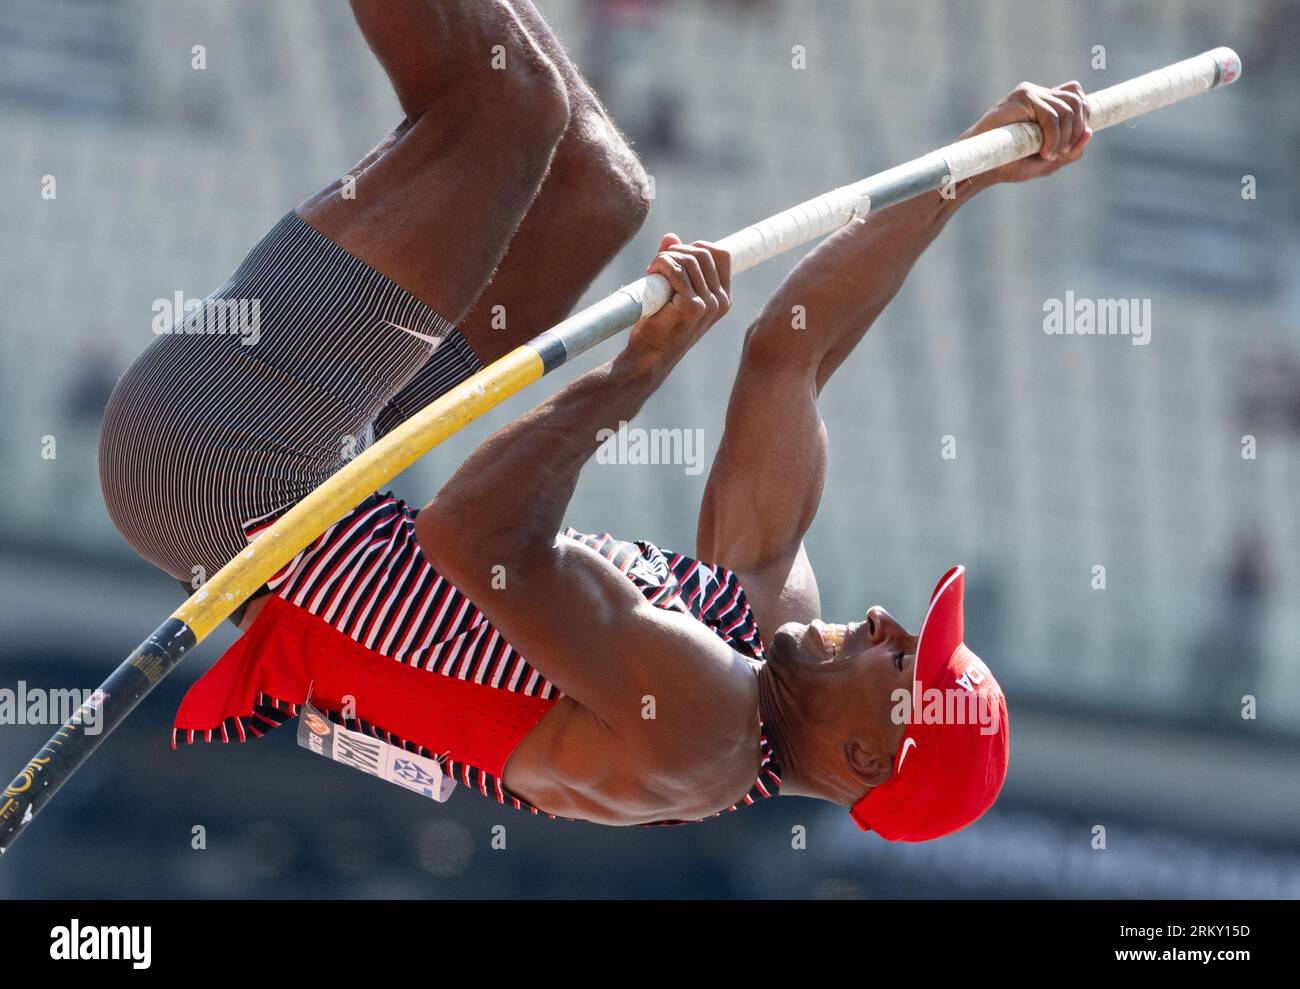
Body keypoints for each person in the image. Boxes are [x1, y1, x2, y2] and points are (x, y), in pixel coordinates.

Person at [102, 1, 1092, 839]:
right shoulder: (764, 632)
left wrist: (637, 372)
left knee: (510, 110)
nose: (886, 620)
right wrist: (962, 169)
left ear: (866, 752)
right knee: (596, 188)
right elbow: (792, 349)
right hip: (318, 475)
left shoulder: (703, 734)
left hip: (223, 474)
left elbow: (468, 533)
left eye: (902, 657)